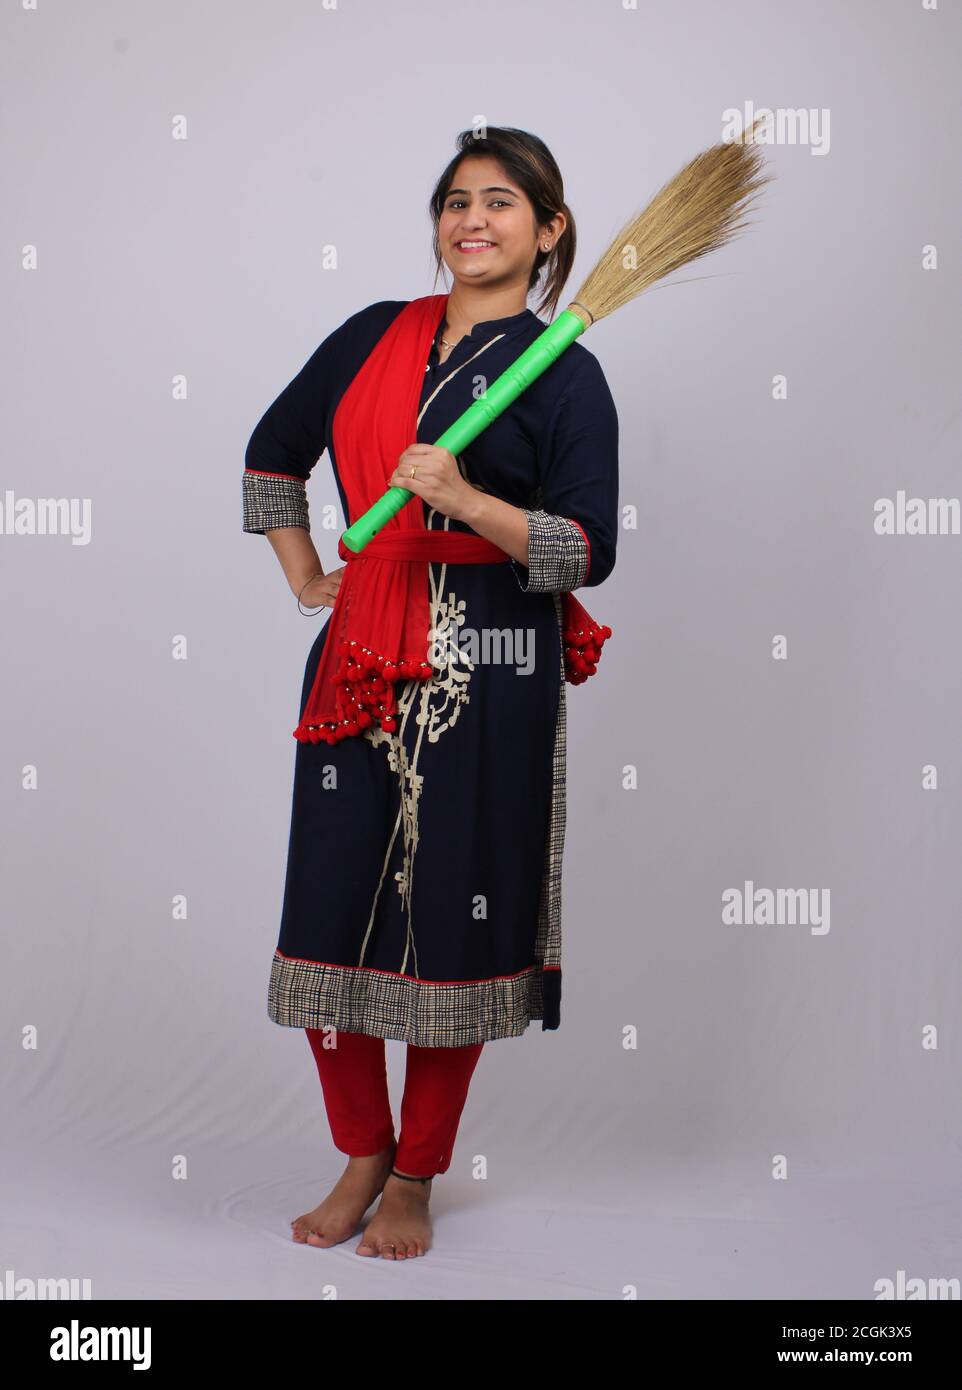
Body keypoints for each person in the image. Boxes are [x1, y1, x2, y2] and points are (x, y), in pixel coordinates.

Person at [243, 127, 619, 1259]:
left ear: (546, 232)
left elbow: (582, 551)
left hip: (492, 665)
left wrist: (464, 494)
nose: (472, 220)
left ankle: (413, 1173)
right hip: (361, 650)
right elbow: (272, 452)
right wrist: (309, 570)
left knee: (453, 915)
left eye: (501, 203)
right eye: (456, 201)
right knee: (332, 907)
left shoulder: (564, 369)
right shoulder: (373, 335)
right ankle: (359, 1145)